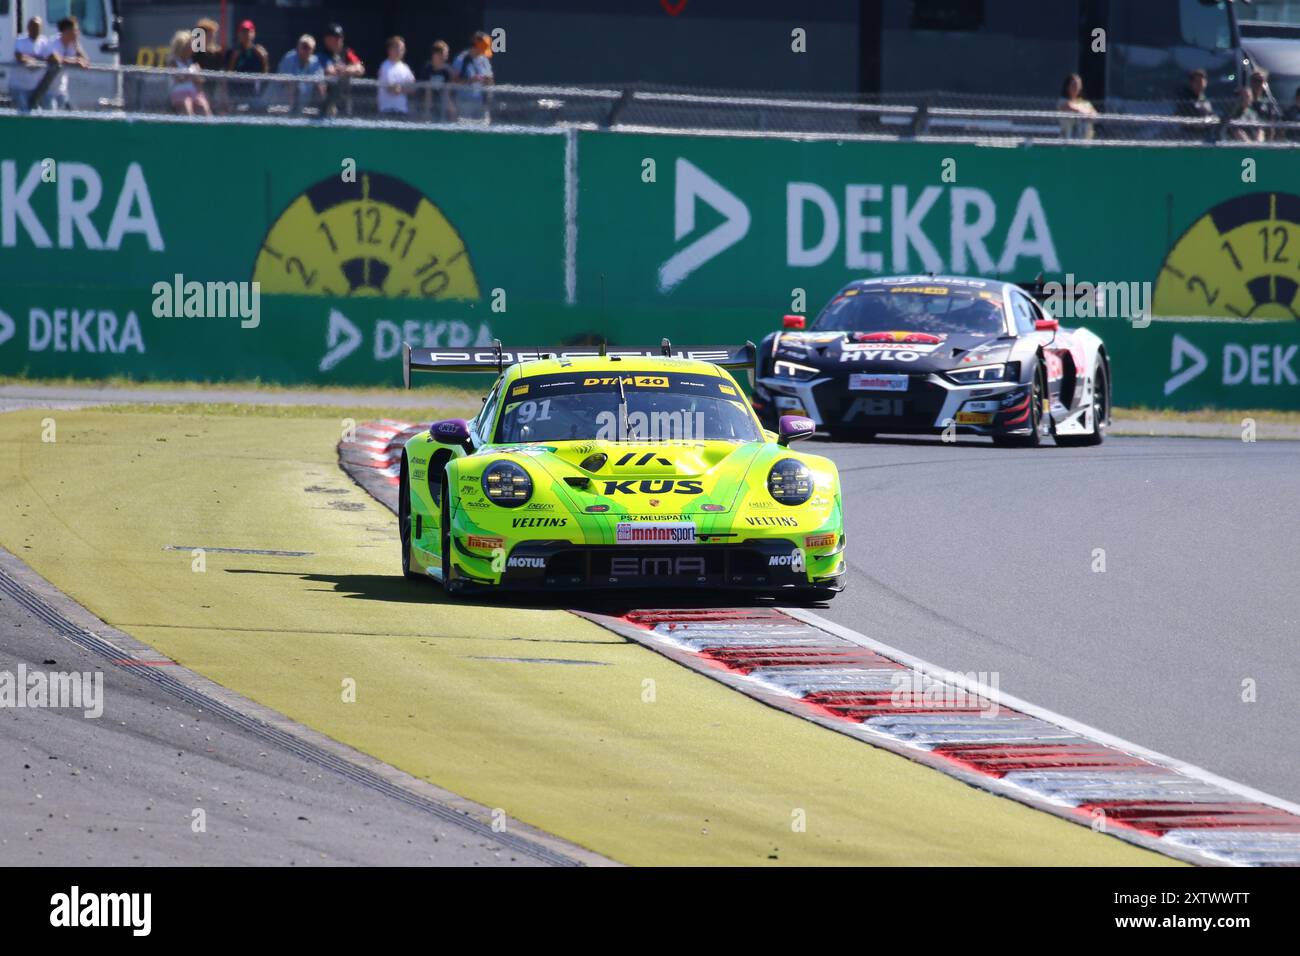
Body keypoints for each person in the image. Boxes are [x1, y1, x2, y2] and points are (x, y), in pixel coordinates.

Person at [317, 23, 365, 117]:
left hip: (345, 101)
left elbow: (360, 68)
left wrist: (344, 69)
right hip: (327, 103)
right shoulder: (321, 54)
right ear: (326, 39)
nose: (337, 41)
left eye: (339, 38)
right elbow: (330, 71)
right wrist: (348, 69)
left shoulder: (347, 52)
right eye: (334, 38)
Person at [10, 17, 54, 112]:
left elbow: (53, 57)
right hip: (19, 87)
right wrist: (37, 60)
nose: (35, 29)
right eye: (33, 26)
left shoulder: (44, 42)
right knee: (23, 112)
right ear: (28, 27)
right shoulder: (21, 40)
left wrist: (36, 59)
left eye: (37, 27)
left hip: (36, 88)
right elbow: (19, 56)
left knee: (47, 109)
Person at [47, 17, 90, 111]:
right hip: (47, 89)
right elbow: (57, 59)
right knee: (50, 115)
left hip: (61, 89)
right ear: (66, 31)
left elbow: (85, 61)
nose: (77, 33)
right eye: (75, 30)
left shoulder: (73, 44)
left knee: (65, 116)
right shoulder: (53, 42)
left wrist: (77, 46)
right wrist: (75, 61)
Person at [276, 35, 326, 114]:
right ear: (298, 47)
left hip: (305, 106)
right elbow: (284, 82)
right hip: (283, 104)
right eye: (304, 47)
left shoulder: (316, 62)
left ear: (312, 50)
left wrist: (324, 106)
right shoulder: (289, 59)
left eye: (308, 48)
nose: (306, 50)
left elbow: (321, 86)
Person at [225, 19, 269, 108]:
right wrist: (233, 59)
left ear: (254, 34)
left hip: (253, 94)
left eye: (249, 32)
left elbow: (265, 75)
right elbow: (228, 75)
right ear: (239, 34)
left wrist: (264, 59)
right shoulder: (232, 52)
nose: (246, 35)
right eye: (243, 32)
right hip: (235, 94)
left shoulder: (258, 53)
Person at [451, 30, 494, 120]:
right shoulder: (461, 59)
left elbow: (490, 80)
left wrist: (488, 80)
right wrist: (470, 80)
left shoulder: (484, 60)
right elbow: (454, 82)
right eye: (484, 45)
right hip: (464, 102)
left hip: (481, 103)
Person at [168, 30, 211, 116]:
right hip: (179, 93)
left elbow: (200, 81)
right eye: (188, 47)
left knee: (204, 108)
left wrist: (193, 76)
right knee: (187, 107)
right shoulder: (173, 62)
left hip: (194, 92)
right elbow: (179, 79)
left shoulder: (193, 62)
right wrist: (192, 75)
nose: (191, 49)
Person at [377, 36, 415, 117]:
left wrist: (401, 89)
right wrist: (404, 88)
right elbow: (392, 89)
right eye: (398, 48)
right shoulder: (385, 66)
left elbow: (413, 87)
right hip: (387, 111)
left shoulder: (405, 67)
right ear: (390, 50)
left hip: (402, 111)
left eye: (402, 49)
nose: (400, 51)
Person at [421, 40, 456, 121]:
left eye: (446, 54)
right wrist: (427, 111)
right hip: (431, 108)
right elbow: (427, 91)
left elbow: (449, 93)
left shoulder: (448, 71)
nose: (445, 57)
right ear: (435, 54)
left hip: (444, 108)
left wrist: (451, 110)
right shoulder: (427, 69)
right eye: (444, 54)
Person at [1056, 72, 1096, 140]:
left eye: (1078, 85)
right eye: (1073, 85)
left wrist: (1085, 113)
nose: (1076, 87)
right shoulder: (1062, 101)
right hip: (1067, 139)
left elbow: (1094, 116)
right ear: (1067, 87)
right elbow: (1070, 107)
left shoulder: (1085, 103)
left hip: (1084, 140)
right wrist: (1085, 112)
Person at [1249, 69, 1283, 140]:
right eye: (1255, 81)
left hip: (1263, 129)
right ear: (1251, 83)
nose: (1257, 84)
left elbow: (1274, 118)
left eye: (1260, 81)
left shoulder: (1268, 101)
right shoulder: (1246, 98)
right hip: (1248, 127)